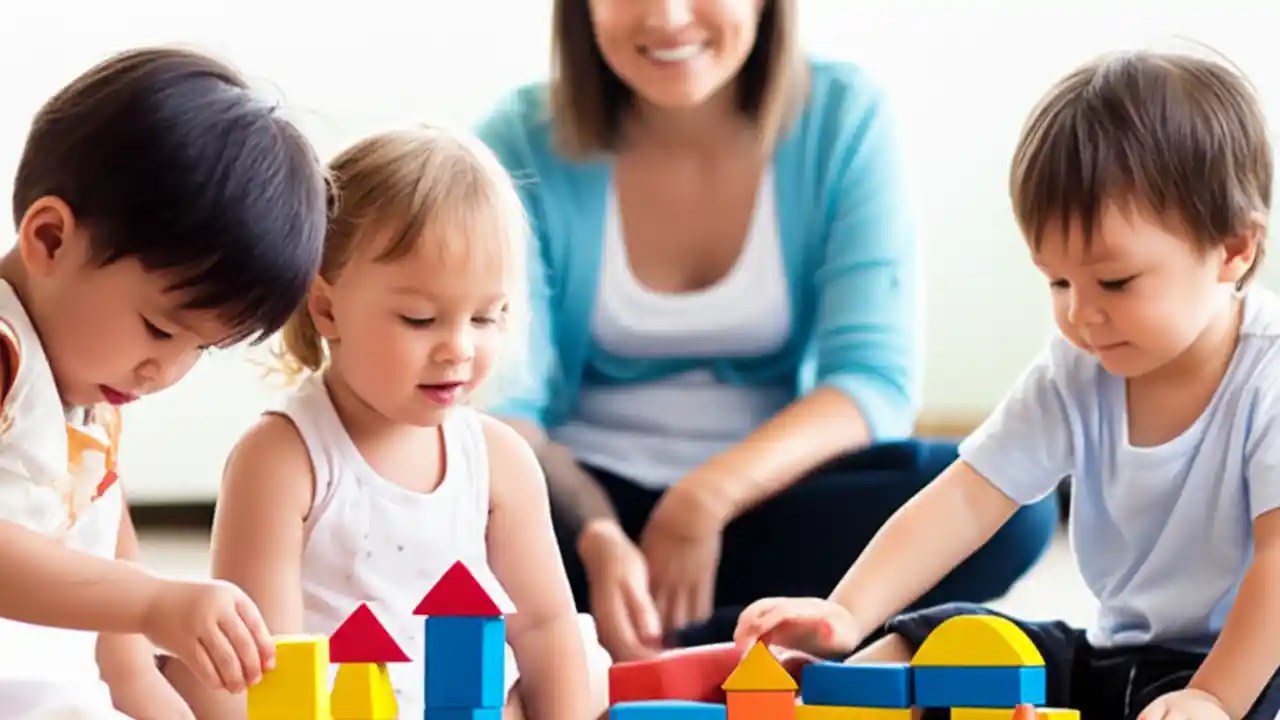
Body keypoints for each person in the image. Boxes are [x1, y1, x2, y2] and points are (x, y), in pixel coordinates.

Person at [474, 0, 1059, 662]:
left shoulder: (842, 116)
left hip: (768, 498)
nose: (668, 18)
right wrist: (597, 533)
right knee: (442, 510)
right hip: (577, 506)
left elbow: (870, 381)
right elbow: (508, 411)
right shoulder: (518, 142)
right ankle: (710, 638)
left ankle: (642, 639)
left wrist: (705, 499)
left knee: (1011, 503)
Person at [734, 48, 1280, 720]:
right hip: (1114, 657)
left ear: (1233, 251)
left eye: (1114, 281)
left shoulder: (1268, 374)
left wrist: (1213, 698)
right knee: (918, 645)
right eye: (1058, 281)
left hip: (1247, 665)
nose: (1080, 313)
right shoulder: (1078, 367)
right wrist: (848, 611)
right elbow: (967, 500)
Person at [165, 126, 610, 720]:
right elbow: (266, 663)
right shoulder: (283, 458)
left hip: (473, 704)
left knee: (584, 657)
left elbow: (544, 625)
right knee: (198, 678)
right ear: (327, 307)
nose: (458, 348)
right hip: (343, 708)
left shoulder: (498, 459)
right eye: (420, 318)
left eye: (486, 317)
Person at [0, 47, 328, 719]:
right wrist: (151, 603)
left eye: (201, 350)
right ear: (52, 238)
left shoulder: (89, 401)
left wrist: (149, 675)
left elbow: (121, 646)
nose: (168, 373)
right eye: (159, 329)